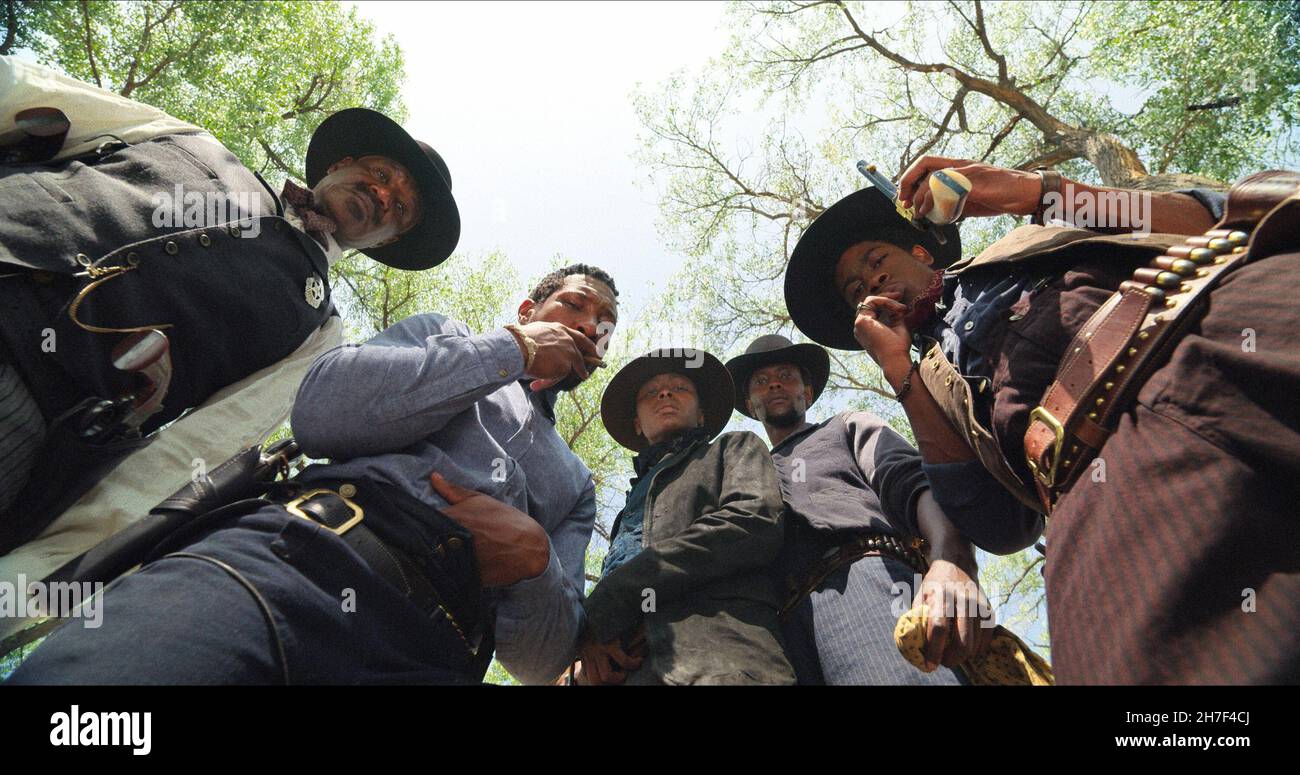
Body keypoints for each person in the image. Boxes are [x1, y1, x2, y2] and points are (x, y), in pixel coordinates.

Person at [783, 154, 1300, 684]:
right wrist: (900, 373)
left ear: (920, 250)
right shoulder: (927, 383)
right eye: (855, 289)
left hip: (1226, 329)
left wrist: (1033, 192)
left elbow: (1212, 217)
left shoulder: (1031, 240)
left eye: (875, 258)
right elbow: (998, 523)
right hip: (1108, 493)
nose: (872, 278)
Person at [6, 264, 619, 685]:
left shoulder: (576, 486)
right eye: (573, 302)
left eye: (604, 321)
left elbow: (541, 661)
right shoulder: (444, 335)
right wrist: (511, 349)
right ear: (529, 308)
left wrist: (536, 560)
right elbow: (323, 413)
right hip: (291, 560)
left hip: (435, 653)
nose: (589, 322)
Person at [0, 56, 459, 551]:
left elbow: (192, 451)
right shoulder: (185, 139)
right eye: (381, 171)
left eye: (402, 206)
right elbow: (25, 91)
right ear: (339, 166)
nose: (383, 192)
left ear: (385, 242)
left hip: (25, 406)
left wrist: (47, 559)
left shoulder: (318, 334)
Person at [725, 333, 990, 684]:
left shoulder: (847, 426)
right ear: (750, 402)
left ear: (806, 391)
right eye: (761, 381)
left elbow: (911, 483)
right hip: (780, 640)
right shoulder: (740, 474)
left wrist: (950, 559)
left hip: (871, 585)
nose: (774, 383)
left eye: (786, 375)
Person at [575, 348, 795, 685]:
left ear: (702, 414)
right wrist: (590, 642)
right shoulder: (627, 510)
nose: (664, 393)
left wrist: (617, 593)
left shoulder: (733, 447)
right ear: (637, 422)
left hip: (721, 662)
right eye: (650, 392)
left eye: (680, 388)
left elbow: (753, 522)